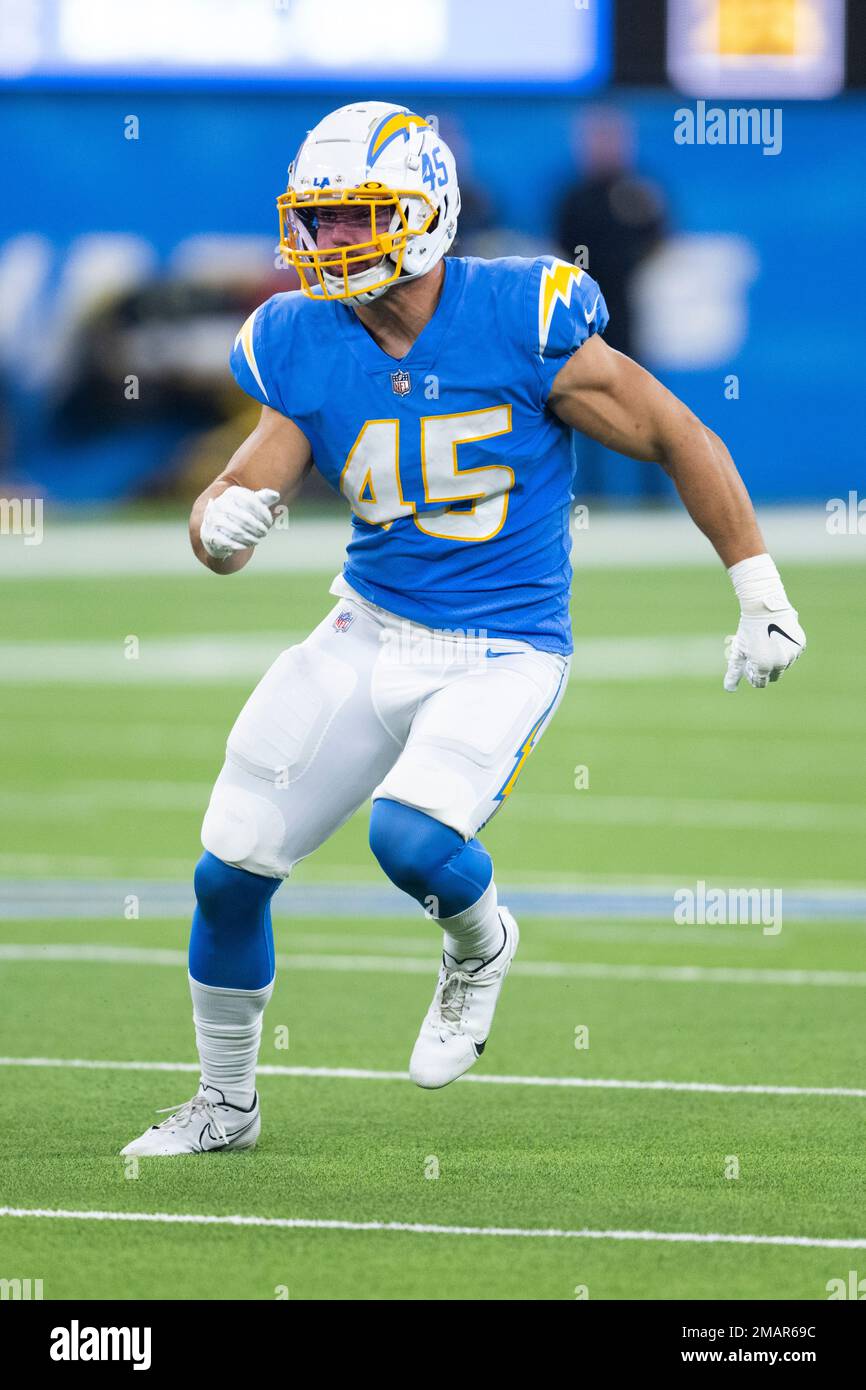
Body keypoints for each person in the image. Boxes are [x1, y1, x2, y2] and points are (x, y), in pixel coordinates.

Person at [121, 102, 805, 1156]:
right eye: (318, 219)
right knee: (227, 872)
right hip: (365, 629)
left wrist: (757, 588)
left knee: (411, 838)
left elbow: (677, 432)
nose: (328, 242)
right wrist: (219, 531)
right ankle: (225, 1102)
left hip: (501, 645)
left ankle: (478, 948)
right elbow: (227, 511)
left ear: (425, 210)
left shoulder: (517, 313)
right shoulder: (300, 339)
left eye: (356, 217)